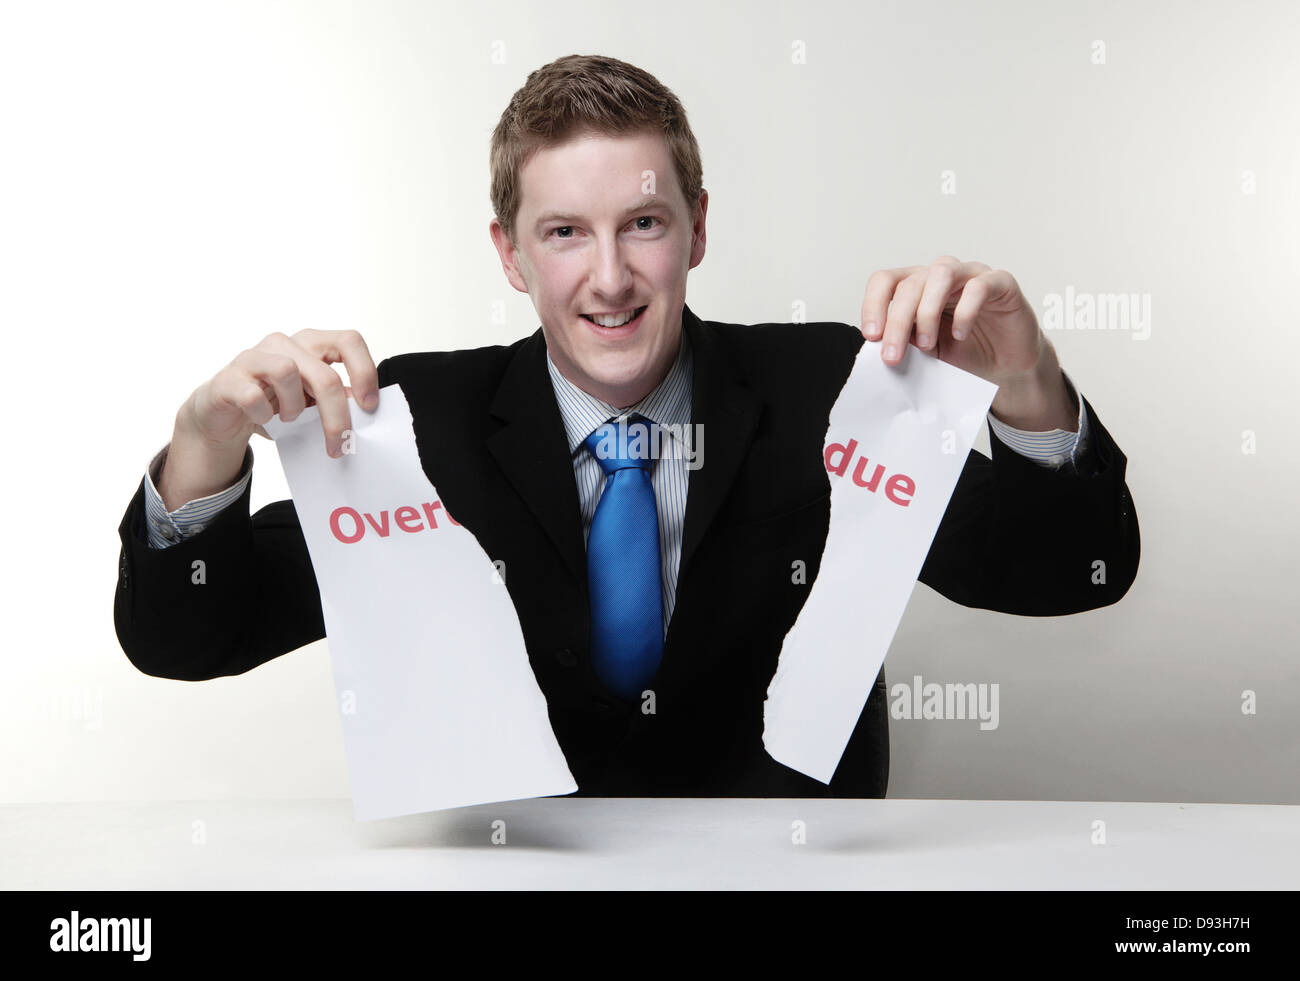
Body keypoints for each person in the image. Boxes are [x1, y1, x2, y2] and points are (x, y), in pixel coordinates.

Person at [114, 54, 1140, 799]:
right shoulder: (418, 424)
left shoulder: (826, 389)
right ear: (510, 254)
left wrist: (1025, 381)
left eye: (643, 224)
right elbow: (189, 640)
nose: (609, 278)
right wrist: (201, 448)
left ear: (698, 224)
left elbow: (1068, 573)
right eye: (564, 232)